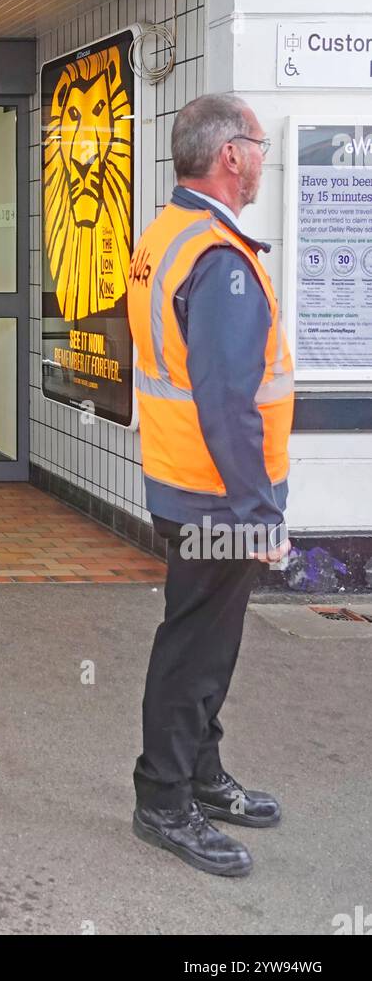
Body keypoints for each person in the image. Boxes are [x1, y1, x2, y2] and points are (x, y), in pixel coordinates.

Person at [126, 93, 294, 878]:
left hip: (185, 484)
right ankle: (164, 801)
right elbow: (228, 400)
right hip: (219, 499)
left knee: (205, 641)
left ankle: (198, 774)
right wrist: (259, 513)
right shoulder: (219, 259)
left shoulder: (165, 237)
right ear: (231, 155)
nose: (264, 156)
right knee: (194, 650)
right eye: (259, 143)